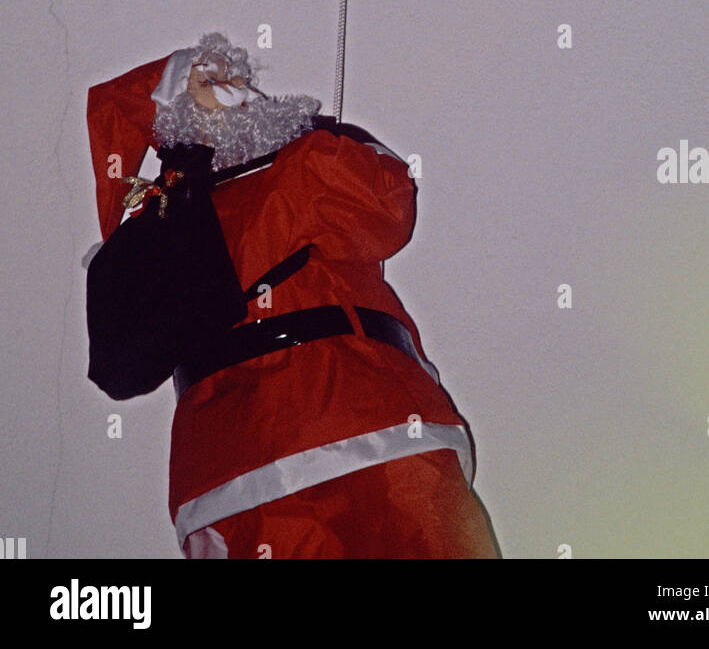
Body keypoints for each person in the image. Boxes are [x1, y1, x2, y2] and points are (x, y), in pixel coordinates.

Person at [85, 33, 498, 559]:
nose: (234, 92)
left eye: (234, 77)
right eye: (206, 83)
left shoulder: (317, 151)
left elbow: (385, 209)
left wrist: (292, 147)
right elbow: (127, 344)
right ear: (173, 119)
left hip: (369, 416)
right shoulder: (160, 223)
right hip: (241, 458)